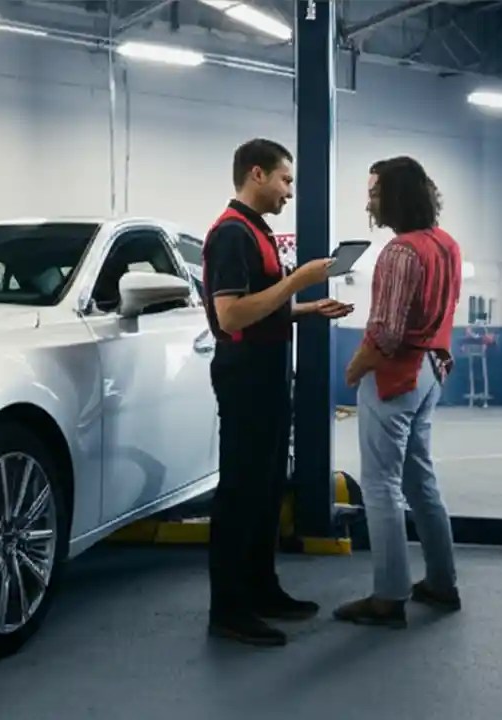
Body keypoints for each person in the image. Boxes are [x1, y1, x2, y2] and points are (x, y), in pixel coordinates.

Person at [202, 138, 353, 647]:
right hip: (245, 377)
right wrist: (297, 283)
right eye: (286, 180)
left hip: (267, 373)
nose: (290, 192)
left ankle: (261, 589)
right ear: (257, 174)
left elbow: (259, 306)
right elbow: (231, 316)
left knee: (268, 488)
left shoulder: (258, 230)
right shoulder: (232, 233)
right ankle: (228, 608)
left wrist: (308, 309)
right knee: (241, 490)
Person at [335, 156, 463, 628]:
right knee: (420, 480)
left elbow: (386, 334)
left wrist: (355, 367)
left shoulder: (399, 252)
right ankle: (442, 582)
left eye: (375, 193)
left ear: (396, 196)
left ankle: (388, 598)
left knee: (380, 484)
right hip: (431, 368)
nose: (369, 202)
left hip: (396, 374)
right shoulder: (446, 244)